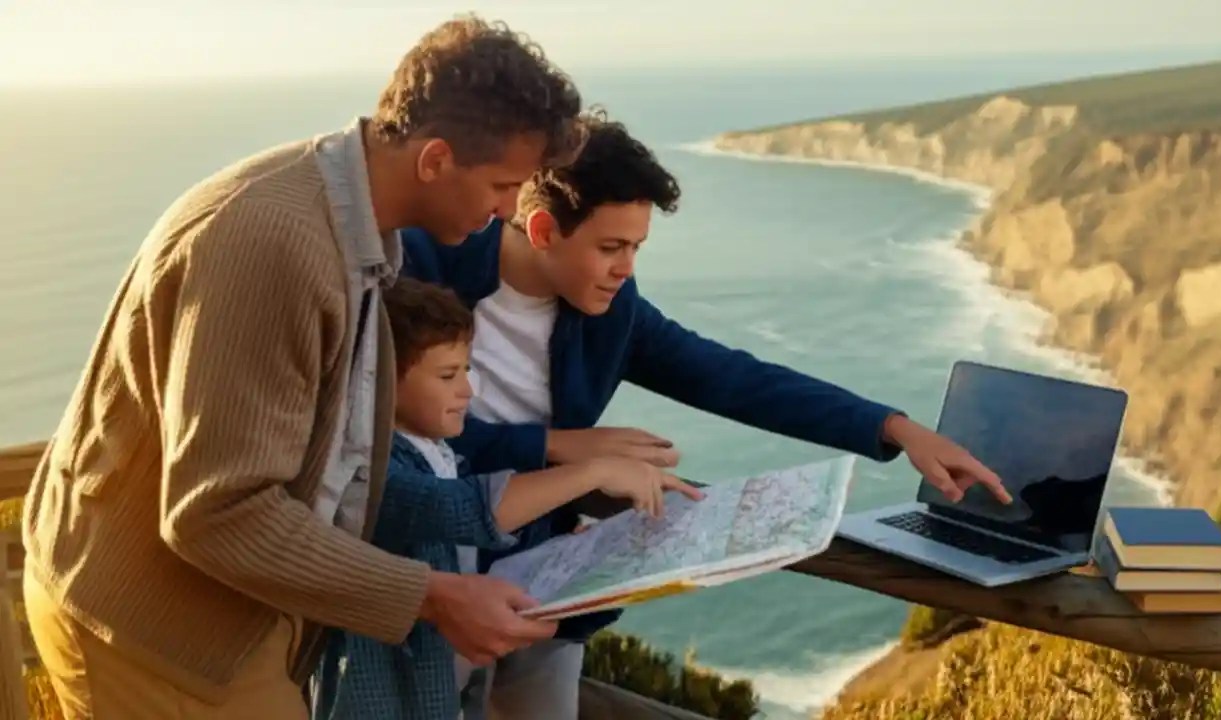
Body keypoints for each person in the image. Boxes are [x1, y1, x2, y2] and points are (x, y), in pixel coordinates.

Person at [21, 15, 587, 720]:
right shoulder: (274, 244)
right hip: (152, 623)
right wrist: (431, 595)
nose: (510, 210)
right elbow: (216, 514)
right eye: (504, 185)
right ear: (436, 158)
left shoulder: (349, 222)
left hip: (226, 607)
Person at [399, 111, 1013, 719]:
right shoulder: (426, 261)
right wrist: (559, 447)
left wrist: (893, 429)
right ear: (541, 230)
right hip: (429, 569)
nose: (627, 268)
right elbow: (393, 436)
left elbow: (732, 378)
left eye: (637, 247)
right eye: (610, 247)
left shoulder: (614, 309)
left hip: (544, 573)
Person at [309, 277, 703, 720]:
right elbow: (458, 508)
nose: (467, 390)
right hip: (377, 697)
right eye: (447, 375)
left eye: (467, 370)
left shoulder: (439, 452)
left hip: (440, 688)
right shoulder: (373, 467)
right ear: (380, 381)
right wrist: (597, 469)